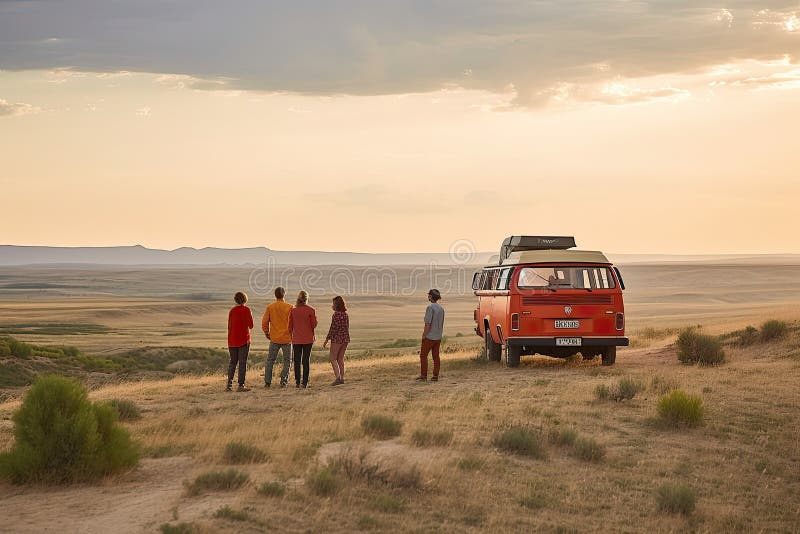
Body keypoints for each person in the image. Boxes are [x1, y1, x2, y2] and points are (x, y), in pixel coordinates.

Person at [261, 286, 293, 388]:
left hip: (274, 338)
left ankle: (267, 382)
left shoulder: (270, 307)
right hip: (287, 339)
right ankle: (283, 381)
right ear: (284, 294)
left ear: (275, 295)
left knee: (270, 360)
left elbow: (264, 322)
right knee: (287, 361)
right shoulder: (290, 307)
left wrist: (267, 333)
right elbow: (294, 323)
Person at [288, 290, 317, 388]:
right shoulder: (311, 310)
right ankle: (305, 382)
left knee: (297, 360)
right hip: (308, 339)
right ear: (307, 299)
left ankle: (297, 382)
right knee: (305, 360)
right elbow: (314, 325)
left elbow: (289, 326)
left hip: (296, 339)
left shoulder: (293, 310)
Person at [227, 291, 254, 392]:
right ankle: (241, 385)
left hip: (232, 340)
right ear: (245, 299)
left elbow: (229, 326)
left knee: (233, 362)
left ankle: (229, 385)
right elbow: (251, 325)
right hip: (243, 340)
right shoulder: (246, 310)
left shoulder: (232, 311)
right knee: (242, 363)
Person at [416, 289, 445, 382]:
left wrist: (424, 335)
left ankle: (423, 376)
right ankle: (435, 376)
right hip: (438, 336)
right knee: (436, 357)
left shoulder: (430, 308)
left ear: (431, 296)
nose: (428, 296)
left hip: (430, 336)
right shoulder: (441, 309)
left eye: (429, 295)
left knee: (423, 356)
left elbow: (427, 324)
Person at [323, 295, 350, 386]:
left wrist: (327, 339)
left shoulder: (336, 315)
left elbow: (333, 329)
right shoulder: (345, 315)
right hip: (345, 338)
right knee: (340, 359)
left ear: (336, 305)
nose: (332, 305)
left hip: (337, 339)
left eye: (333, 303)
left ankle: (338, 377)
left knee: (332, 358)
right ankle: (342, 378)